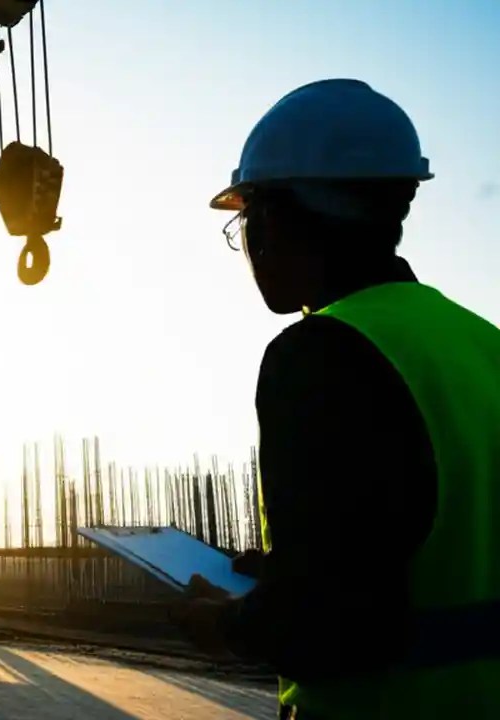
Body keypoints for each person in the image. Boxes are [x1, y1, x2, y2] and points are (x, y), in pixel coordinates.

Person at [172, 79, 500, 719]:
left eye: (246, 223)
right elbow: (416, 553)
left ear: (272, 221)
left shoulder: (322, 353)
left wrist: (226, 625)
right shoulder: (481, 343)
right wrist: (293, 569)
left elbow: (329, 629)